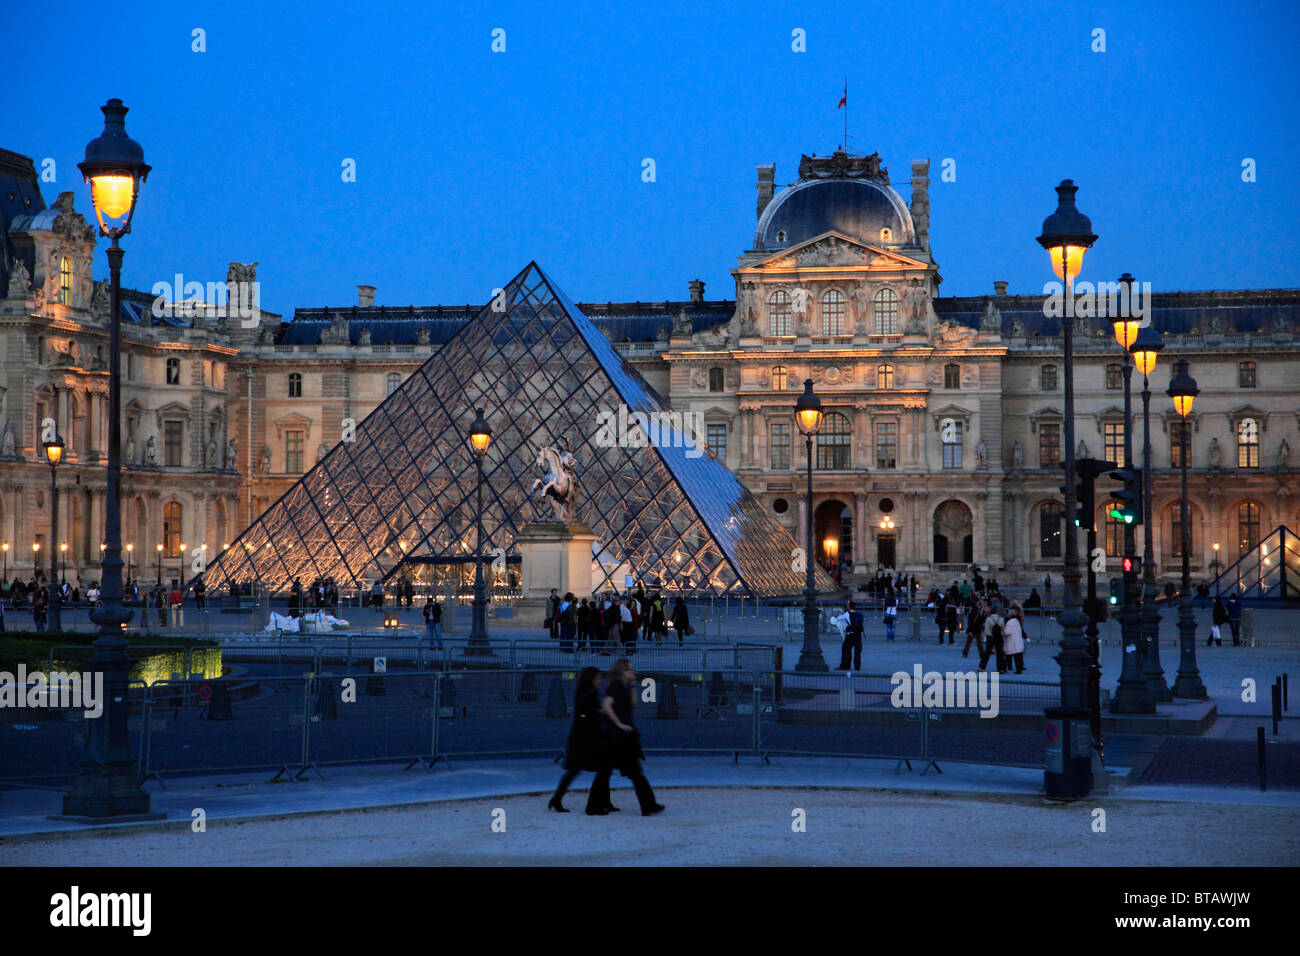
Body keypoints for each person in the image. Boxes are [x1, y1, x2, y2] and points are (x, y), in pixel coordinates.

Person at [594, 658, 664, 816]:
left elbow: (633, 703)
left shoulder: (624, 686)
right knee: (633, 772)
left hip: (621, 734)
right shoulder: (616, 687)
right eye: (630, 669)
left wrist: (633, 685)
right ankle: (648, 805)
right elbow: (606, 705)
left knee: (610, 771)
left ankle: (598, 804)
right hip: (620, 735)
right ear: (622, 671)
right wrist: (618, 723)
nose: (633, 672)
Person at [549, 667, 615, 814]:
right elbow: (586, 716)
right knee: (603, 768)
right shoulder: (588, 694)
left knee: (575, 770)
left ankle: (557, 799)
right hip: (586, 740)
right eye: (597, 678)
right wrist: (599, 713)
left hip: (582, 739)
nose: (600, 681)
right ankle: (601, 802)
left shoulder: (586, 693)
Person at [978, 604, 1006, 672]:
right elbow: (1003, 629)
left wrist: (985, 637)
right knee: (1000, 653)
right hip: (999, 637)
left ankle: (982, 667)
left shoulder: (988, 619)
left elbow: (986, 630)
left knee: (987, 652)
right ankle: (1000, 668)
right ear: (998, 611)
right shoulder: (1001, 619)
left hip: (990, 636)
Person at [838, 601, 864, 670]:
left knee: (846, 649)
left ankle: (845, 665)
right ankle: (857, 666)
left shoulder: (847, 613)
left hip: (850, 634)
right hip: (858, 635)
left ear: (849, 607)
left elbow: (838, 619)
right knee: (857, 651)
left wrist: (842, 613)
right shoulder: (859, 614)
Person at [1003, 602, 1026, 673]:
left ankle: (1004, 668)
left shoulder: (1010, 622)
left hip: (1011, 642)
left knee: (1007, 656)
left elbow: (1007, 632)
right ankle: (1019, 669)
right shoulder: (1017, 621)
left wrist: (1002, 631)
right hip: (1018, 641)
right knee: (1018, 657)